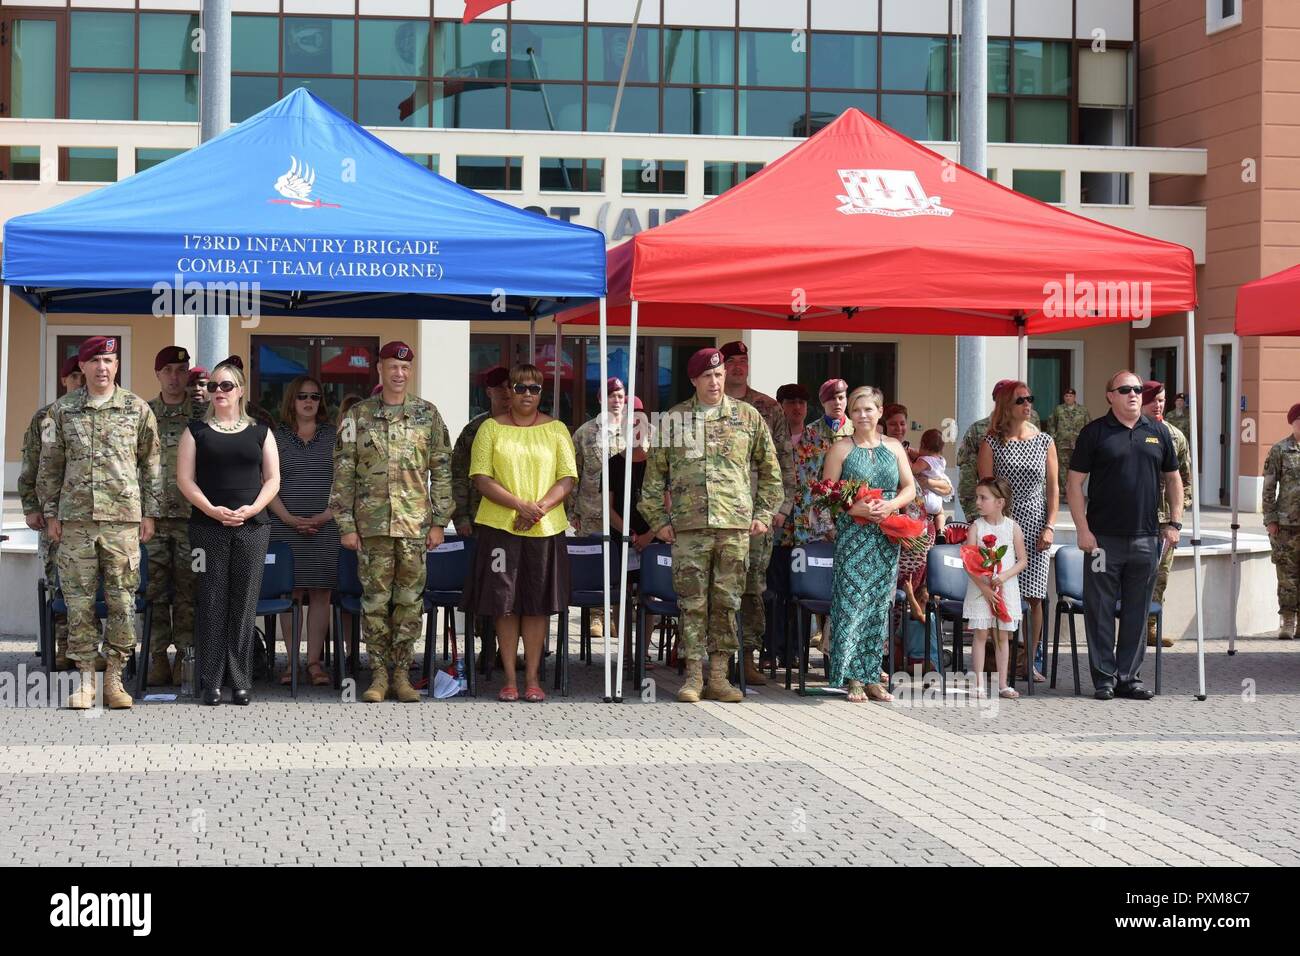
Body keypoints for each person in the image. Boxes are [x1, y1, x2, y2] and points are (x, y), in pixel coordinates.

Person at [640, 347, 783, 703]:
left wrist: (763, 514)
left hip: (734, 526)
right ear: (694, 380)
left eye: (719, 375)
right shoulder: (674, 420)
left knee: (727, 601)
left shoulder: (748, 418)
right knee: (692, 603)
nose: (716, 382)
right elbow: (653, 479)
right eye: (708, 376)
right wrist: (659, 522)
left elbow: (771, 473)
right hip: (689, 529)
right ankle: (692, 677)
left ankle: (719, 677)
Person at [37, 336, 162, 710]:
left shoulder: (137, 410)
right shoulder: (61, 411)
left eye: (109, 360)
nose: (102, 368)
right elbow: (50, 465)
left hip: (123, 522)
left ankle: (114, 680)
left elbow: (152, 464)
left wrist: (150, 513)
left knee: (123, 601)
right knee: (78, 604)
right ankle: (85, 681)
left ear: (117, 364)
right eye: (95, 362)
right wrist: (49, 514)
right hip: (74, 523)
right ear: (83, 367)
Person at [332, 341, 454, 704]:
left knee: (409, 603)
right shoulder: (358, 416)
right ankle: (379, 675)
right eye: (392, 367)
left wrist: (438, 521)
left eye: (405, 368)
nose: (399, 374)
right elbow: (342, 473)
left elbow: (442, 470)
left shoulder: (427, 415)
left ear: (409, 372)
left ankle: (402, 674)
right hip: (371, 528)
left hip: (415, 527)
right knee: (375, 602)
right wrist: (346, 525)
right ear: (380, 370)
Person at [461, 364, 577, 702]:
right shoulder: (490, 429)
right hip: (501, 529)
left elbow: (567, 477)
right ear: (509, 391)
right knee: (505, 605)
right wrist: (519, 506)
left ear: (542, 392)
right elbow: (481, 478)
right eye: (520, 387)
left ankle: (533, 678)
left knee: (536, 606)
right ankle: (509, 678)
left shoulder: (556, 430)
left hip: (545, 528)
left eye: (534, 388)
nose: (527, 394)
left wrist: (537, 508)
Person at [1067, 370, 1182, 701]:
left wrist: (1174, 523)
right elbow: (1074, 484)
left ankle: (1128, 678)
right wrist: (1083, 530)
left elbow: (1174, 480)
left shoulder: (1157, 432)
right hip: (1103, 540)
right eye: (1126, 390)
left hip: (1146, 539)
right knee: (1100, 609)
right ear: (1110, 396)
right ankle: (1104, 679)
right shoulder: (1095, 433)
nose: (1134, 394)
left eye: (1137, 389)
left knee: (1137, 610)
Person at [178, 361, 280, 706]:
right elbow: (185, 480)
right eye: (213, 387)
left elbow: (272, 480)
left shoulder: (260, 432)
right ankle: (211, 682)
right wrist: (211, 510)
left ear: (239, 390)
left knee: (243, 605)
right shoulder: (196, 431)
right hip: (206, 529)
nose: (219, 392)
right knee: (210, 602)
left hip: (252, 528)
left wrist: (252, 510)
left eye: (226, 386)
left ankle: (240, 681)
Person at [823, 385, 915, 702]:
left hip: (885, 535)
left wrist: (891, 506)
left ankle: (872, 676)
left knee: (878, 604)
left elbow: (909, 488)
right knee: (852, 603)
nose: (863, 415)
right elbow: (826, 493)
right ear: (850, 414)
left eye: (868, 409)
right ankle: (851, 678)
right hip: (853, 536)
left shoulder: (894, 447)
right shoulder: (841, 448)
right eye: (856, 410)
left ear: (879, 412)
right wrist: (852, 507)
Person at [720, 340, 796, 686]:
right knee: (716, 588)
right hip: (717, 514)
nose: (737, 366)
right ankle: (715, 660)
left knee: (753, 587)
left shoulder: (767, 408)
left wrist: (782, 507)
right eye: (731, 361)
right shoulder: (706, 406)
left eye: (742, 361)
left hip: (756, 515)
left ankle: (747, 658)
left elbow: (784, 461)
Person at [977, 380, 1057, 682]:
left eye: (1030, 399)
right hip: (1004, 525)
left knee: (1034, 596)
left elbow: (1053, 488)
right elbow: (984, 489)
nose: (1028, 405)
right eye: (1021, 400)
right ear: (1006, 406)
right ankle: (1003, 659)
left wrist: (1050, 525)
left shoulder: (1045, 441)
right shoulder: (992, 442)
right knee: (1001, 592)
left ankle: (1029, 661)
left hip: (1036, 524)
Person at [267, 375, 340, 686]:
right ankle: (291, 663)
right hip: (285, 527)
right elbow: (267, 483)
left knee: (321, 593)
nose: (309, 401)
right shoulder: (276, 437)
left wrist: (324, 516)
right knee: (291, 594)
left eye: (315, 396)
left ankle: (314, 662)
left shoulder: (334, 436)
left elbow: (346, 482)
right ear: (291, 401)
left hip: (325, 527)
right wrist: (290, 519)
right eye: (302, 396)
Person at [18, 355, 84, 671]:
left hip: (91, 517)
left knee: (91, 585)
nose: (80, 382)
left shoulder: (105, 415)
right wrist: (31, 507)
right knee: (59, 581)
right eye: (74, 377)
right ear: (64, 380)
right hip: (54, 516)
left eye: (82, 376)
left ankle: (86, 649)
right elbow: (32, 463)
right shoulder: (46, 418)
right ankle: (63, 647)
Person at [783, 378, 854, 654]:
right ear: (823, 402)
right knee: (818, 586)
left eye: (842, 397)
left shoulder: (857, 431)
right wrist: (823, 522)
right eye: (832, 398)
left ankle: (841, 650)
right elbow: (804, 482)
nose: (838, 402)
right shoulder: (811, 434)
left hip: (852, 519)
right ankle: (819, 644)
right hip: (816, 524)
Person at [145, 345, 199, 686]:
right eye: (169, 371)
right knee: (153, 592)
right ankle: (156, 658)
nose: (175, 377)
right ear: (158, 374)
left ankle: (185, 657)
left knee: (188, 592)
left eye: (181, 371)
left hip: (193, 519)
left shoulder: (202, 415)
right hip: (151, 519)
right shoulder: (142, 414)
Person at [570, 376, 630, 643]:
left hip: (624, 513)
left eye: (620, 395)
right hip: (592, 512)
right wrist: (572, 514)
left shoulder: (636, 430)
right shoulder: (585, 433)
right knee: (596, 566)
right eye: (611, 395)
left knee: (621, 566)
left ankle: (618, 616)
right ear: (600, 400)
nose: (616, 400)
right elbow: (572, 475)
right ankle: (596, 616)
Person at [962, 478, 1027, 699]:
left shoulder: (1012, 527)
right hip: (981, 589)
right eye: (977, 497)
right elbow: (968, 563)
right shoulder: (976, 527)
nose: (978, 502)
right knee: (981, 633)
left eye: (983, 498)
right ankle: (978, 682)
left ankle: (1002, 684)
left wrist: (1004, 576)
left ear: (1000, 502)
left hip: (1005, 588)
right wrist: (985, 587)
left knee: (1003, 636)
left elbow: (1022, 560)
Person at [1141, 381, 1192, 647]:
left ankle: (1150, 627)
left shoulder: (1175, 436)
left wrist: (1176, 519)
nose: (1158, 405)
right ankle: (1130, 627)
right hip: (1136, 519)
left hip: (1164, 523)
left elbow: (1185, 480)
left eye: (1161, 400)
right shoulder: (1132, 432)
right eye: (1153, 400)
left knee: (1159, 576)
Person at [957, 380, 1040, 520]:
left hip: (1030, 513)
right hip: (994, 511)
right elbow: (967, 478)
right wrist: (974, 516)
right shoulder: (977, 430)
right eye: (1018, 400)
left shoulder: (1032, 430)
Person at [452, 366, 511, 537]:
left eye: (510, 386)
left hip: (516, 516)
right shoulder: (474, 429)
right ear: (489, 392)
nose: (506, 392)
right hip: (479, 517)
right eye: (499, 387)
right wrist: (460, 516)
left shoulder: (528, 428)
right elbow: (458, 474)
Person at [1263, 404, 1300, 639]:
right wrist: (1270, 519)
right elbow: (1268, 487)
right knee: (1287, 577)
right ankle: (1288, 621)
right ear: (1293, 423)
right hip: (1286, 525)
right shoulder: (1280, 450)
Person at [1045, 388, 1089, 497]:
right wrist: (1053, 438)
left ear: (1074, 397)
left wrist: (1086, 440)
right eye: (1066, 396)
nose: (1068, 398)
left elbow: (1088, 425)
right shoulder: (1058, 410)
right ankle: (1066, 494)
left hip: (1078, 445)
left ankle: (1075, 492)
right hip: (1062, 444)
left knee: (1077, 468)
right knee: (1063, 470)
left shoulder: (1083, 410)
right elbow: (1051, 424)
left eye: (1070, 396)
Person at [911, 428, 950, 538]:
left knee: (919, 514)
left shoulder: (924, 461)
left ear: (922, 444)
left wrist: (906, 457)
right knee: (941, 513)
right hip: (936, 498)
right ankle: (941, 532)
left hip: (925, 498)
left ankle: (921, 531)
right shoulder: (941, 460)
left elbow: (913, 469)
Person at [215, 355, 275, 427]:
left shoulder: (261, 417)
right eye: (213, 385)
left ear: (240, 389)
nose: (218, 390)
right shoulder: (201, 415)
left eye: (226, 385)